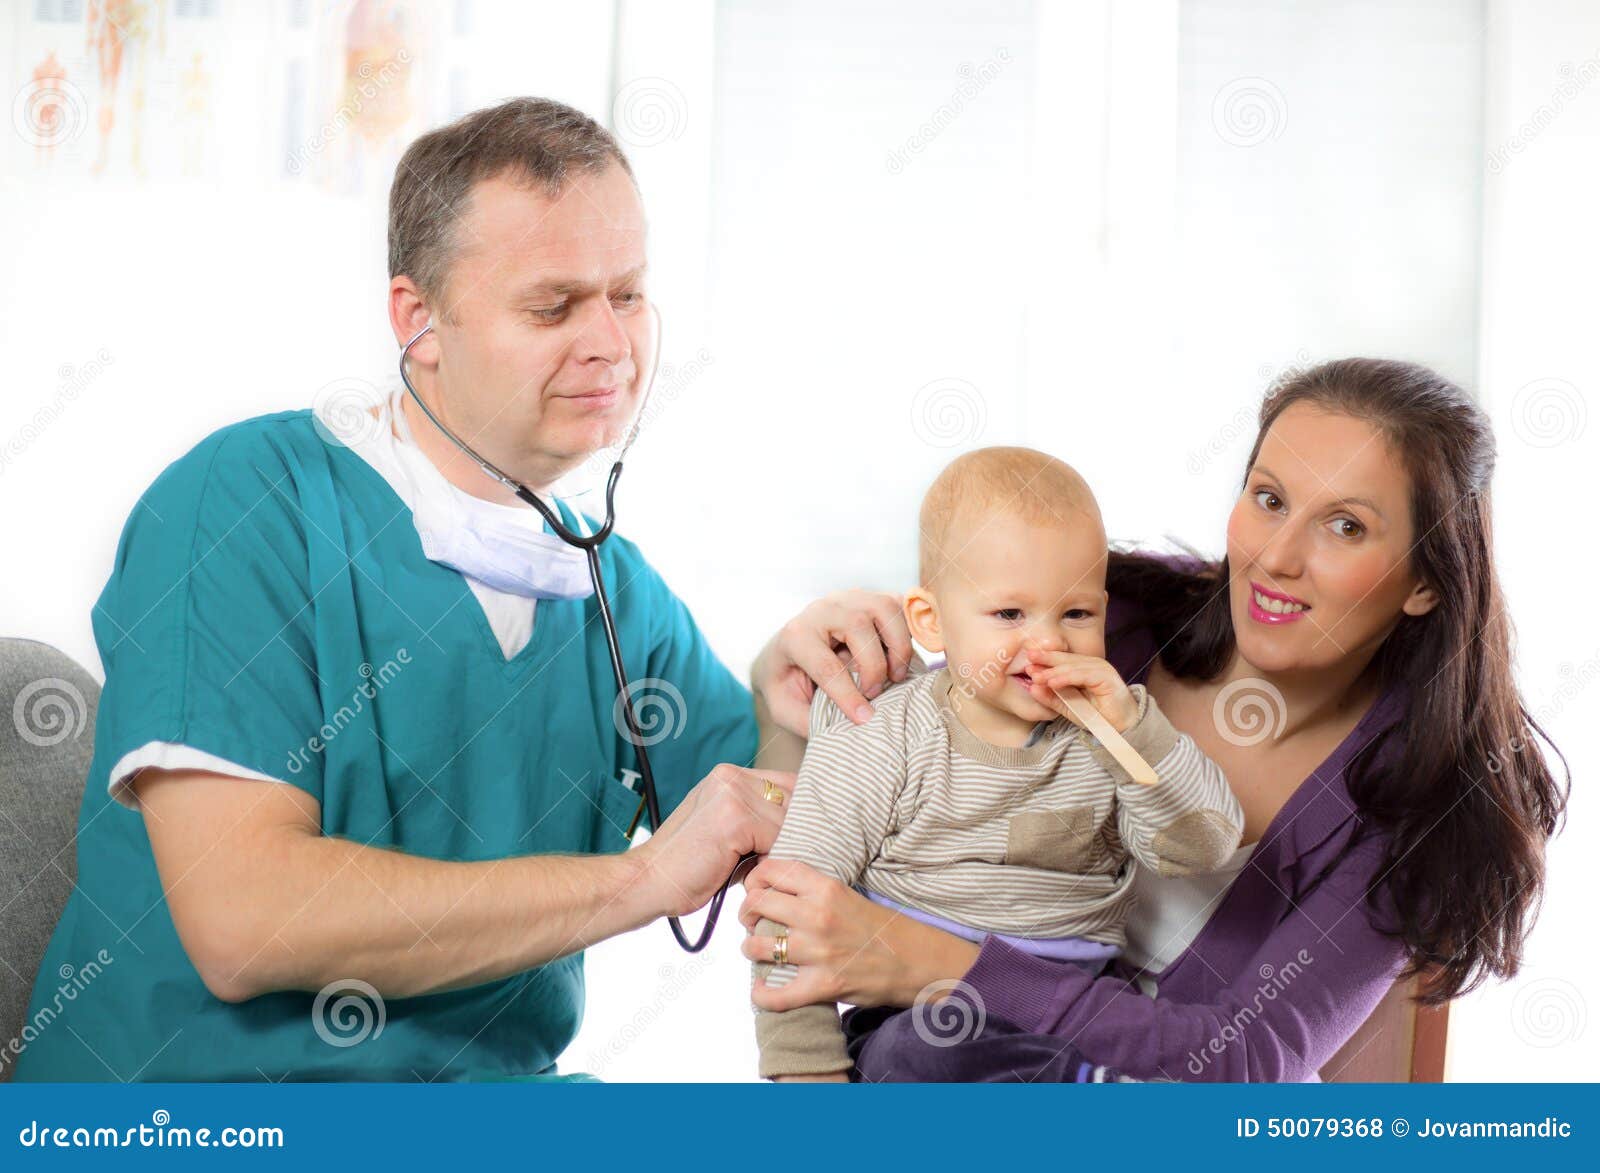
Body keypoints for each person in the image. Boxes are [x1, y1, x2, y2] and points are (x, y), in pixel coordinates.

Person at [12, 97, 826, 1082]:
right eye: (553, 306)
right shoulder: (242, 506)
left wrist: (799, 688)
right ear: (420, 320)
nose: (612, 344)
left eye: (628, 294)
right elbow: (245, 922)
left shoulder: (607, 589)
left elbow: (785, 827)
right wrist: (644, 878)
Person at [743, 359, 1568, 1081]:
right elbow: (838, 824)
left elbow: (1246, 1060)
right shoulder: (1112, 620)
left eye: (1346, 525)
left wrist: (938, 963)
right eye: (1270, 498)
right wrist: (788, 683)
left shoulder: (1418, 814)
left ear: (1427, 580)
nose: (1278, 557)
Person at [751, 447, 1244, 1081]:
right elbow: (788, 907)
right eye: (1009, 614)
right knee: (917, 1054)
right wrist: (808, 1081)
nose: (1047, 642)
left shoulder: (1110, 731)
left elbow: (1201, 846)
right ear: (931, 620)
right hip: (921, 1012)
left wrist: (1133, 732)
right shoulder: (883, 732)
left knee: (1119, 1046)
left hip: (1075, 1006)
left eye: (1076, 614)